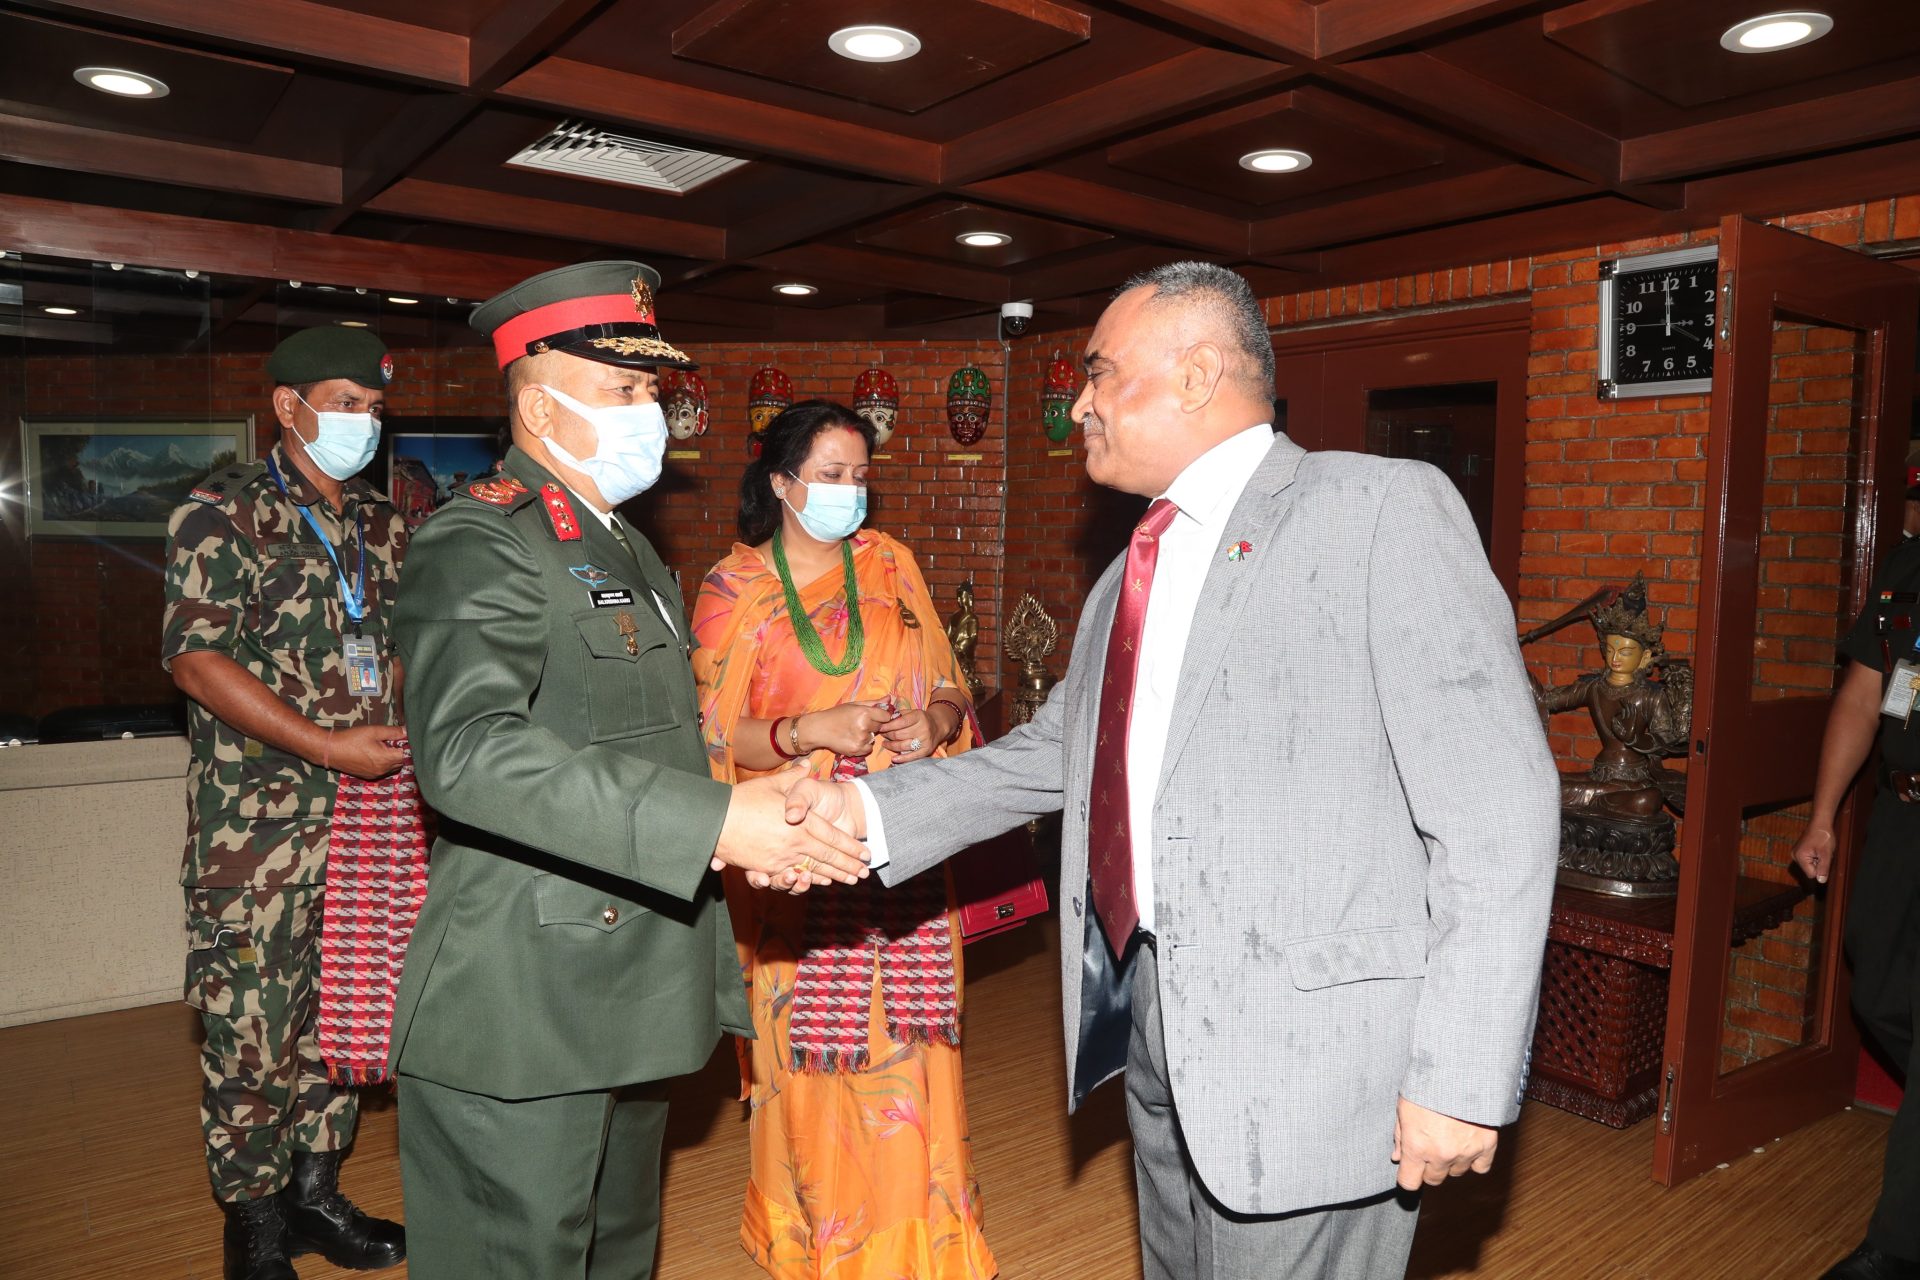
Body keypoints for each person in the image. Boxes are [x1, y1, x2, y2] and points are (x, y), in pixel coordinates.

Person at [787, 261, 1561, 1279]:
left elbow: (1499, 810)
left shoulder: (1381, 511)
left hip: (1312, 1056)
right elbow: (1051, 756)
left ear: (1197, 376)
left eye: (1100, 373)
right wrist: (859, 811)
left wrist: (1458, 1073)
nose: (1080, 404)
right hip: (1153, 1015)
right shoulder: (1127, 574)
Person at [387, 261, 871, 1280]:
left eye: (652, 388)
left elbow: (648, 744)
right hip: (525, 997)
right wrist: (713, 825)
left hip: (634, 977)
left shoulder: (626, 550)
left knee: (616, 1253)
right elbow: (468, 752)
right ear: (538, 407)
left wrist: (746, 806)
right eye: (622, 389)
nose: (651, 411)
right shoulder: (479, 540)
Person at [690, 400, 995, 1278]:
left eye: (861, 475)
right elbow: (715, 740)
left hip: (900, 839)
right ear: (781, 483)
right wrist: (808, 730)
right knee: (811, 1061)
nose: (850, 492)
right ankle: (820, 1244)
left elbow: (950, 683)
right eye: (830, 475)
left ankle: (922, 1246)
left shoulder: (890, 563)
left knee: (912, 1046)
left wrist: (934, 724)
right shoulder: (733, 588)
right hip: (792, 857)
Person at [162, 326, 409, 1280]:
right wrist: (326, 745)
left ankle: (315, 1193)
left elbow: (399, 646)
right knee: (254, 1027)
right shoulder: (220, 513)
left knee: (342, 1011)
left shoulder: (384, 521)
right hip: (259, 829)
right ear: (288, 406)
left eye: (374, 408)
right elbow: (197, 661)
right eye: (345, 404)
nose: (363, 424)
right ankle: (254, 1223)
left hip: (371, 820)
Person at [1791, 529, 1920, 1280]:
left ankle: (1897, 1247)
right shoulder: (1907, 565)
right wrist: (1822, 817)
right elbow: (1866, 696)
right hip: (1903, 817)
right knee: (1875, 990)